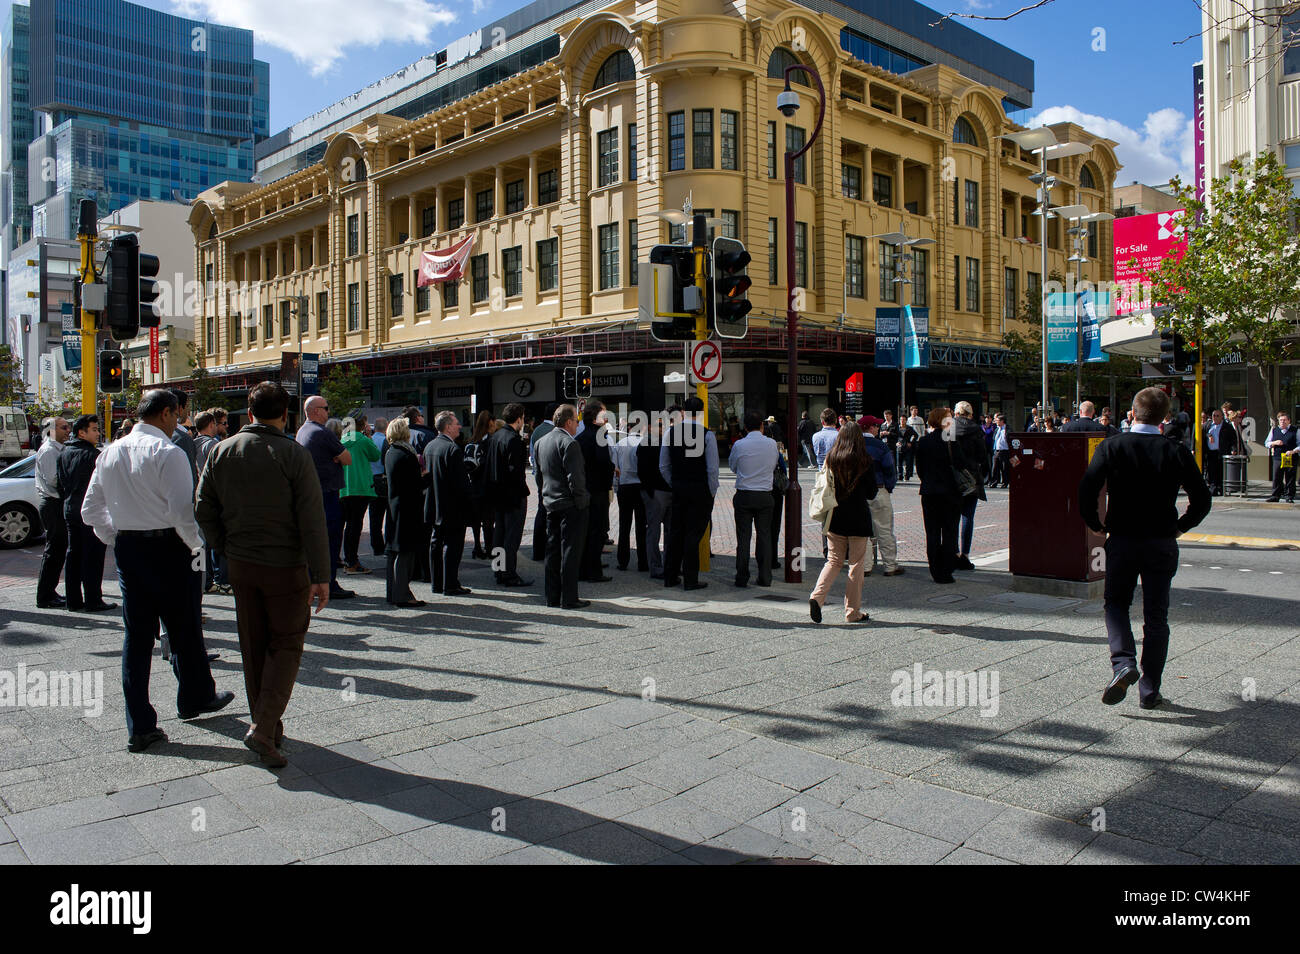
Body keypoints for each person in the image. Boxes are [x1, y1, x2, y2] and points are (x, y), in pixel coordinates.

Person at [81, 389, 234, 753]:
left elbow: (90, 510)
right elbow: (183, 513)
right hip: (170, 547)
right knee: (184, 626)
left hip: (131, 549)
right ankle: (195, 697)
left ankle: (142, 725)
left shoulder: (109, 452)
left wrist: (116, 538)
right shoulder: (168, 452)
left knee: (137, 637)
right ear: (167, 414)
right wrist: (197, 546)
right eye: (178, 413)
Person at [195, 382, 331, 768]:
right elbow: (312, 519)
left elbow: (203, 508)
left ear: (249, 412)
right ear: (285, 415)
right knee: (286, 644)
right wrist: (321, 573)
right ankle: (263, 726)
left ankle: (267, 728)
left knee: (253, 645)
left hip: (241, 563)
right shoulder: (292, 453)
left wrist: (225, 546)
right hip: (285, 566)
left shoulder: (222, 450)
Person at [1079, 387, 1212, 710]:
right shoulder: (1176, 451)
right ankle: (1150, 691)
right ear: (1164, 417)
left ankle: (1123, 661)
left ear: (1132, 413)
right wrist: (1181, 526)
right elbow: (1202, 498)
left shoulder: (1112, 446)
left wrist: (1095, 523)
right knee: (1156, 617)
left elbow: (1087, 489)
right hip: (1161, 542)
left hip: (1123, 539)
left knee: (1115, 604)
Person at [809, 422, 877, 623]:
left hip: (835, 515)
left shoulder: (832, 458)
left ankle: (817, 597)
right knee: (856, 564)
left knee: (833, 560)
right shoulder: (865, 460)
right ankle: (852, 612)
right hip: (859, 517)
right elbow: (872, 493)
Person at [296, 395, 354, 600]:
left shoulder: (302, 431)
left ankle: (316, 578)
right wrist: (338, 458)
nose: (328, 412)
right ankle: (329, 581)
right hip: (328, 493)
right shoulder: (322, 432)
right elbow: (347, 458)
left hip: (313, 492)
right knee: (330, 538)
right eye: (326, 408)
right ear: (316, 411)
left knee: (317, 539)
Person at [660, 396, 718, 591]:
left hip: (678, 488)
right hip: (699, 490)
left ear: (683, 412)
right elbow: (712, 470)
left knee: (675, 532)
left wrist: (674, 483)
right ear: (701, 413)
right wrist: (711, 492)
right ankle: (690, 579)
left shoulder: (670, 432)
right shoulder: (707, 435)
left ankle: (670, 576)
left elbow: (664, 465)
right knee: (693, 535)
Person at [57, 414, 115, 613]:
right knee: (93, 556)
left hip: (70, 508)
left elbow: (60, 483)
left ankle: (73, 599)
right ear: (81, 432)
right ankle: (93, 598)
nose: (98, 433)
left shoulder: (64, 453)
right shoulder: (93, 455)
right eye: (94, 430)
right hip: (89, 511)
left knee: (74, 554)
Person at [536, 404, 590, 609]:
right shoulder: (569, 443)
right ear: (568, 422)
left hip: (551, 503)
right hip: (570, 505)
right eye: (576, 420)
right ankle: (569, 597)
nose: (577, 424)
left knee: (552, 552)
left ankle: (552, 596)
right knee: (570, 552)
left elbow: (539, 476)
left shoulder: (541, 442)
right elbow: (576, 479)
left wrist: (545, 496)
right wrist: (582, 501)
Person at [914, 407, 970, 584]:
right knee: (949, 531)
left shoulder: (923, 441)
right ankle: (946, 570)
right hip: (950, 493)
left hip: (929, 492)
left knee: (931, 532)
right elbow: (961, 464)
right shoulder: (950, 440)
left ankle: (935, 569)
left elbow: (920, 469)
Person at [424, 410, 472, 597]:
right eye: (456, 423)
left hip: (435, 504)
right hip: (452, 506)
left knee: (436, 543)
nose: (459, 426)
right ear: (448, 426)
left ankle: (437, 582)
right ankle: (450, 584)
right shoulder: (452, 449)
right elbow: (461, 483)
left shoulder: (430, 446)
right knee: (453, 545)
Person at [728, 411, 779, 588]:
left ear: (745, 427)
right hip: (765, 494)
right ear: (762, 426)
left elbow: (733, 466)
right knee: (764, 535)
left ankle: (741, 576)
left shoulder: (739, 445)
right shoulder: (772, 444)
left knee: (743, 538)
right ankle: (765, 576)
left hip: (744, 494)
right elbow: (773, 465)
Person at [484, 402, 532, 587]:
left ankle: (499, 571)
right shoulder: (514, 440)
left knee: (499, 534)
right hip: (512, 495)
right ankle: (509, 574)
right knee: (511, 537)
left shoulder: (495, 437)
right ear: (519, 418)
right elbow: (516, 472)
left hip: (498, 493)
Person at [383, 417, 427, 607]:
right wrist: (426, 477)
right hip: (408, 508)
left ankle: (393, 592)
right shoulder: (406, 454)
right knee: (405, 552)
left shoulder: (391, 451)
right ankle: (402, 594)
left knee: (394, 551)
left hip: (395, 506)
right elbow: (414, 484)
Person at [577, 400, 615, 583]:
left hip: (585, 489)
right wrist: (612, 470)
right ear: (594, 417)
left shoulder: (581, 437)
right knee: (597, 531)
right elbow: (603, 463)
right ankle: (593, 570)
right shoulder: (599, 436)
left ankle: (584, 568)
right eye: (603, 414)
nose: (606, 417)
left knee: (585, 530)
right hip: (598, 490)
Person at [35, 416, 71, 609]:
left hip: (56, 503)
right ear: (51, 429)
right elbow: (53, 479)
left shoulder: (59, 448)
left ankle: (50, 591)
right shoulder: (49, 451)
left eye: (68, 427)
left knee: (57, 550)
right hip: (52, 503)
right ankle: (45, 595)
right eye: (63, 427)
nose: (68, 430)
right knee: (54, 550)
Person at [860, 415, 903, 576]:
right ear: (870, 428)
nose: (879, 429)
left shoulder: (853, 444)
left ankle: (865, 566)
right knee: (884, 529)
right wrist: (888, 487)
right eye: (876, 426)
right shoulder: (880, 446)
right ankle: (890, 565)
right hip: (879, 489)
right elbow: (890, 470)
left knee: (864, 532)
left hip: (859, 493)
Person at [638, 408, 675, 580]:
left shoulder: (666, 442)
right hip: (655, 492)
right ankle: (655, 566)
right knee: (654, 531)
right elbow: (642, 471)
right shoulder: (645, 444)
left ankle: (668, 565)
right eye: (659, 425)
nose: (662, 428)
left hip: (667, 491)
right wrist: (649, 491)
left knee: (669, 531)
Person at [952, 401, 989, 571]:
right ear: (970, 414)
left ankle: (953, 552)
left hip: (953, 476)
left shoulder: (949, 427)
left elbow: (946, 450)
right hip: (972, 475)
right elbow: (983, 454)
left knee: (952, 517)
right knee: (968, 516)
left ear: (956, 413)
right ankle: (965, 555)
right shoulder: (976, 429)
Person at [612, 415, 648, 572]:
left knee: (624, 525)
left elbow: (615, 470)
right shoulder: (645, 444)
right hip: (640, 487)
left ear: (628, 428)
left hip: (624, 487)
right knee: (642, 526)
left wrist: (616, 488)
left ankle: (623, 560)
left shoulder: (619, 444)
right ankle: (643, 562)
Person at [466, 410, 496, 560]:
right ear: (490, 423)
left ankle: (476, 547)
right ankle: (489, 548)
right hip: (486, 487)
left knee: (476, 521)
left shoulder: (471, 441)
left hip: (473, 486)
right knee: (488, 521)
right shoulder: (489, 442)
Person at [530, 404, 557, 562]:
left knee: (541, 512)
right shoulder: (552, 431)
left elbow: (532, 456)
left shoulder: (537, 430)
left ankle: (537, 550)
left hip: (540, 477)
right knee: (549, 514)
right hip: (551, 478)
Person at [764, 416, 788, 572]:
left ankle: (763, 560)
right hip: (775, 490)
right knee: (774, 526)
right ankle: (772, 559)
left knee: (761, 529)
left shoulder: (743, 445)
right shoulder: (774, 447)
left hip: (757, 489)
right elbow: (783, 467)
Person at [1264, 412, 1298, 503]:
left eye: (1284, 420)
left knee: (1290, 478)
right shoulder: (1274, 430)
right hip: (1278, 458)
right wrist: (1274, 443)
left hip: (1291, 457)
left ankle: (1289, 496)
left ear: (1289, 421)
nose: (1282, 422)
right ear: (1278, 421)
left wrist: (1293, 451)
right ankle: (1275, 496)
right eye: (1281, 420)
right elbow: (1267, 443)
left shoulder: (1295, 430)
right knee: (1277, 477)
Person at [368, 417, 390, 556]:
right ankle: (388, 544)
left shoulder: (369, 441)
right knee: (389, 515)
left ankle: (376, 546)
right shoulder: (386, 441)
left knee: (375, 517)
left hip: (372, 480)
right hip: (384, 479)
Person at [169, 388, 199, 488]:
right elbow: (190, 477)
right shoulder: (182, 438)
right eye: (187, 406)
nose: (188, 411)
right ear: (179, 408)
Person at [1204, 408, 1236, 496]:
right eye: (1214, 415)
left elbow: (1233, 439)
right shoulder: (1208, 425)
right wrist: (1209, 435)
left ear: (1222, 417)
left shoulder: (1227, 426)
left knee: (1221, 471)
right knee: (1211, 471)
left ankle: (1221, 489)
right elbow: (1203, 433)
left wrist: (1234, 449)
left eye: (1217, 416)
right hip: (1211, 453)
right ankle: (1213, 488)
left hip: (1222, 452)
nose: (1215, 417)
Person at [902, 406, 925, 480]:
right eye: (914, 410)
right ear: (911, 411)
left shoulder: (920, 419)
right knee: (910, 457)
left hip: (918, 440)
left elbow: (922, 430)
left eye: (916, 410)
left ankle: (920, 471)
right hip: (911, 441)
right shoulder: (908, 420)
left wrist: (922, 438)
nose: (915, 412)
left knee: (918, 457)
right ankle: (910, 472)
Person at [989, 414, 1010, 488]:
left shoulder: (1007, 429)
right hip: (996, 451)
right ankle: (994, 482)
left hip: (1005, 451)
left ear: (1002, 421)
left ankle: (1005, 482)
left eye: (998, 420)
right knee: (995, 468)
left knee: (1004, 468)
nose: (996, 422)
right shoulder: (997, 429)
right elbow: (994, 439)